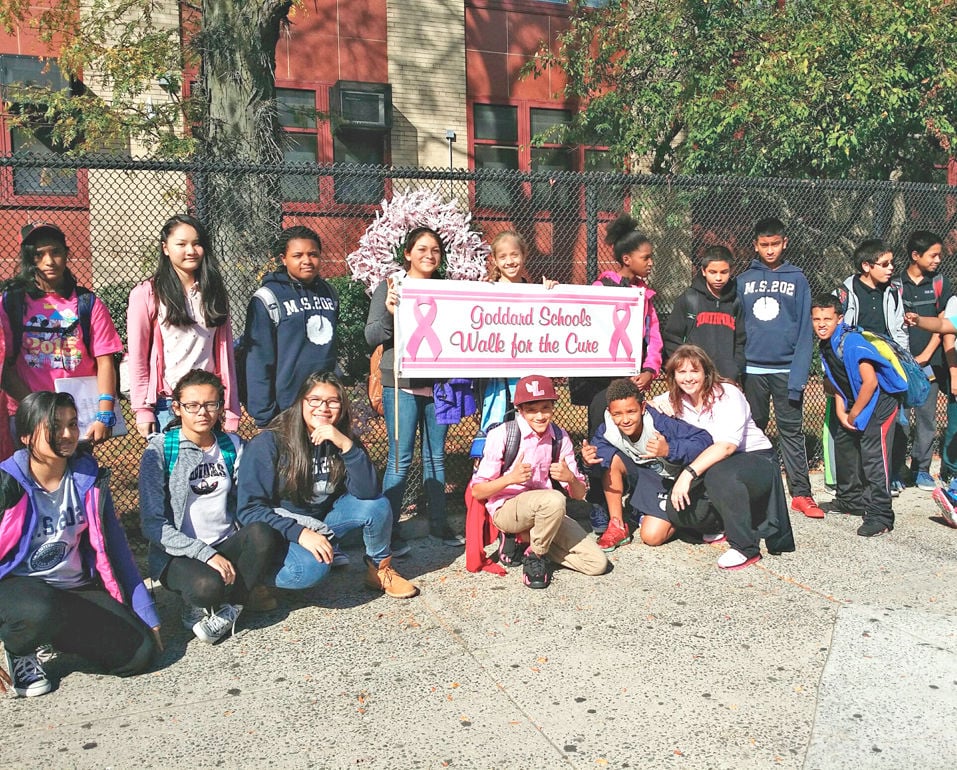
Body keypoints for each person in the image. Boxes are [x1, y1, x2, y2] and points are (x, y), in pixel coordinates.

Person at [0, 392, 159, 697]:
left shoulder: (88, 477)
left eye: (72, 423)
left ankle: (54, 633)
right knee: (38, 609)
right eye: (54, 426)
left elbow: (117, 548)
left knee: (140, 655)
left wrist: (146, 612)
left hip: (73, 590)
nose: (68, 434)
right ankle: (21, 648)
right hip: (18, 590)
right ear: (25, 436)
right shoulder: (7, 482)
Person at [237, 371, 418, 599]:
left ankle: (379, 570)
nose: (323, 408)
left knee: (377, 505)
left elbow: (368, 492)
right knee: (310, 570)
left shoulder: (340, 437)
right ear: (300, 402)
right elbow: (249, 509)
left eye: (333, 401)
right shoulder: (269, 443)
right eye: (315, 400)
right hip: (281, 530)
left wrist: (346, 446)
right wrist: (300, 533)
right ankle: (253, 577)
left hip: (323, 523)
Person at [139, 370, 279, 645]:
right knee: (207, 588)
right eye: (192, 405)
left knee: (262, 532)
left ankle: (231, 609)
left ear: (219, 407)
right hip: (180, 553)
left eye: (210, 404)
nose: (201, 412)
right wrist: (203, 554)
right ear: (177, 408)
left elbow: (254, 503)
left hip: (226, 543)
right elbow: (152, 523)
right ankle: (197, 600)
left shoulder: (232, 446)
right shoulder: (161, 450)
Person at [364, 227, 466, 553]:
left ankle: (438, 523)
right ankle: (387, 531)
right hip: (401, 383)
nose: (429, 255)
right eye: (422, 249)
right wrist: (392, 314)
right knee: (400, 459)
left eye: (435, 249)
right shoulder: (392, 287)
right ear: (407, 253)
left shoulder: (447, 290)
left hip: (437, 384)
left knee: (436, 457)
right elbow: (370, 335)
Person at [649, 345, 795, 569]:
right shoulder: (676, 399)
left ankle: (746, 548)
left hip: (754, 459)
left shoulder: (728, 394)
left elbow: (726, 447)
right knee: (677, 511)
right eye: (681, 372)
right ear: (673, 376)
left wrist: (687, 475)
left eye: (694, 371)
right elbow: (645, 407)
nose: (688, 378)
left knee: (718, 474)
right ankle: (720, 526)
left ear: (706, 372)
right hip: (715, 465)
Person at [471, 374, 609, 589]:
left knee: (596, 564)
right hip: (508, 510)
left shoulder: (560, 437)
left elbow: (580, 495)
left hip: (546, 514)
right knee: (553, 499)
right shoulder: (501, 434)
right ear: (520, 410)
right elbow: (478, 492)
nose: (540, 416)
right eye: (532, 409)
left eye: (545, 407)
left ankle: (528, 541)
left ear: (553, 407)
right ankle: (536, 557)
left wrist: (570, 478)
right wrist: (510, 478)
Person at [571, 213, 663, 530]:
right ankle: (599, 504)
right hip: (601, 387)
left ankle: (638, 503)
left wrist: (650, 370)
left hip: (630, 384)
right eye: (646, 257)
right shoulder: (601, 288)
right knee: (601, 443)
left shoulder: (645, 298)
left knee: (637, 441)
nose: (651, 263)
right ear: (627, 259)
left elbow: (654, 338)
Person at [1, 223, 122, 444]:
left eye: (56, 252)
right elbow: (6, 366)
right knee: (28, 477)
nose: (49, 261)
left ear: (66, 254)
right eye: (39, 254)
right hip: (29, 416)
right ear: (30, 258)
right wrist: (38, 410)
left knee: (78, 476)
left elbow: (105, 361)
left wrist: (105, 411)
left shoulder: (88, 303)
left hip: (76, 419)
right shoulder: (11, 303)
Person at [736, 217, 821, 518]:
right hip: (752, 372)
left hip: (786, 372)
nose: (770, 250)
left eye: (775, 244)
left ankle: (801, 494)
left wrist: (799, 375)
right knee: (751, 432)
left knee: (791, 432)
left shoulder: (797, 278)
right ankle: (753, 493)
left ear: (784, 243)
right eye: (764, 245)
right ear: (756, 246)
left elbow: (804, 332)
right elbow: (737, 328)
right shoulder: (743, 281)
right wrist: (737, 372)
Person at [127, 214, 240, 438]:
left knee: (210, 470)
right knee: (172, 471)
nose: (191, 250)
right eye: (181, 244)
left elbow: (225, 356)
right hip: (168, 405)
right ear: (165, 248)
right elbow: (138, 356)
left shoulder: (214, 293)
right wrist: (142, 409)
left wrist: (231, 409)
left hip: (208, 403)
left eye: (197, 243)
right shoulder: (147, 293)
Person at [581, 378, 714, 552]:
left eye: (631, 411)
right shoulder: (607, 428)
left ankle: (684, 518)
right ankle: (617, 525)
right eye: (618, 414)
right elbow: (600, 467)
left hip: (670, 478)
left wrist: (669, 449)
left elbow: (704, 440)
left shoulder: (660, 423)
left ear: (643, 408)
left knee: (651, 536)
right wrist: (587, 463)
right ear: (610, 412)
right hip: (643, 473)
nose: (625, 419)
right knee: (610, 459)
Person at [812, 295, 906, 536]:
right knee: (845, 447)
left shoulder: (851, 342)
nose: (821, 324)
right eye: (816, 319)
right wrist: (842, 411)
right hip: (856, 402)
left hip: (879, 403)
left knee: (874, 459)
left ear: (839, 319)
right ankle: (850, 500)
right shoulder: (826, 344)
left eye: (827, 319)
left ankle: (881, 515)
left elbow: (870, 382)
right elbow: (837, 382)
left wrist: (854, 413)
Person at [829, 238, 909, 495]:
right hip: (855, 368)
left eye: (892, 263)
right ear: (866, 265)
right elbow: (835, 330)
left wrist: (903, 361)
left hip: (885, 367)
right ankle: (850, 486)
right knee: (850, 425)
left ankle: (883, 481)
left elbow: (898, 330)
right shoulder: (843, 293)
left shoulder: (893, 292)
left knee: (888, 426)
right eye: (884, 264)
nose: (890, 269)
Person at [243, 226, 339, 427]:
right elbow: (258, 360)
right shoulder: (267, 298)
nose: (307, 260)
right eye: (298, 255)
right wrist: (264, 414)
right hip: (285, 408)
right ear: (283, 259)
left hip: (323, 405)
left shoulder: (329, 293)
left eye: (313, 254)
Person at [892, 231, 952, 490]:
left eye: (939, 254)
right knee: (900, 419)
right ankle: (895, 470)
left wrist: (927, 354)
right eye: (933, 255)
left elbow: (944, 324)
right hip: (902, 362)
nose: (938, 259)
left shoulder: (940, 283)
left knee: (927, 418)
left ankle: (921, 469)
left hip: (930, 363)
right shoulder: (895, 285)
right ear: (915, 256)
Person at [662, 245, 746, 382]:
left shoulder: (736, 301)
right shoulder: (689, 299)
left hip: (726, 379)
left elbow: (740, 341)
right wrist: (686, 367)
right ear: (704, 271)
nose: (718, 278)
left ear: (732, 271)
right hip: (695, 379)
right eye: (713, 272)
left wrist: (734, 368)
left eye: (724, 272)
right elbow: (672, 338)